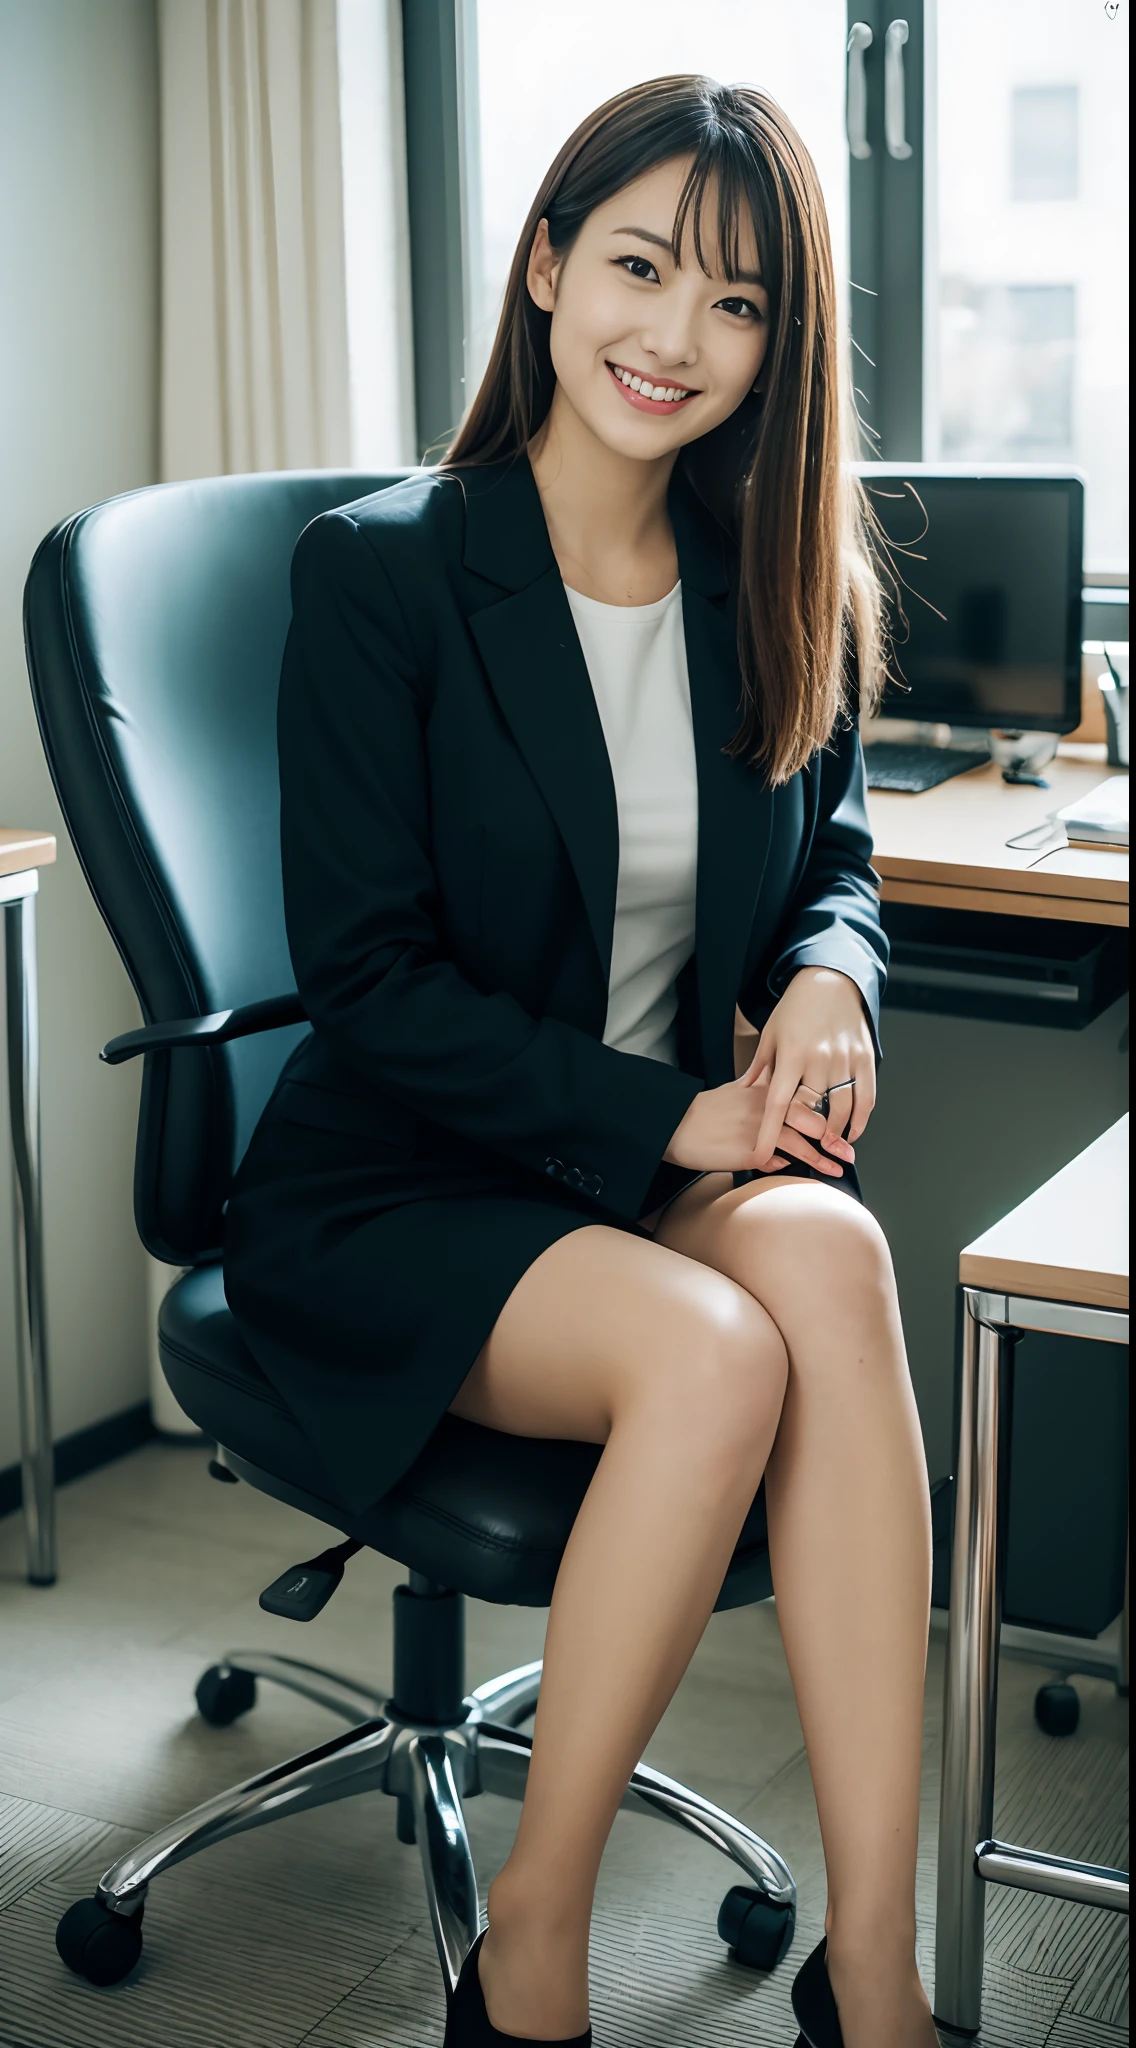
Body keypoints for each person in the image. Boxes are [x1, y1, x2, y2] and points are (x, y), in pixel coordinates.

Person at [224, 75, 937, 2048]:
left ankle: (871, 1971)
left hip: (624, 1169)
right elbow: (361, 978)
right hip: (401, 1179)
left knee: (834, 1258)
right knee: (717, 1343)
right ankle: (530, 1943)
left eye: (734, 304)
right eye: (635, 268)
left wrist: (828, 985)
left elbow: (841, 858)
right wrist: (676, 1111)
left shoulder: (759, 573)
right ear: (544, 269)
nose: (673, 339)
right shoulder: (386, 575)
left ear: (774, 345)